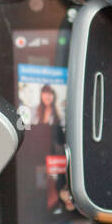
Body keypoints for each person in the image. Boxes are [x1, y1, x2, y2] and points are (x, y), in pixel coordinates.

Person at [30, 85, 74, 213]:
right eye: (45, 93)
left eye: (50, 94)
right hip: (39, 155)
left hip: (54, 158)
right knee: (41, 184)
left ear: (53, 97)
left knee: (48, 183)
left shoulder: (57, 115)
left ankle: (48, 207)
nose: (47, 97)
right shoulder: (34, 111)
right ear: (41, 95)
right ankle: (42, 207)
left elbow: (60, 140)